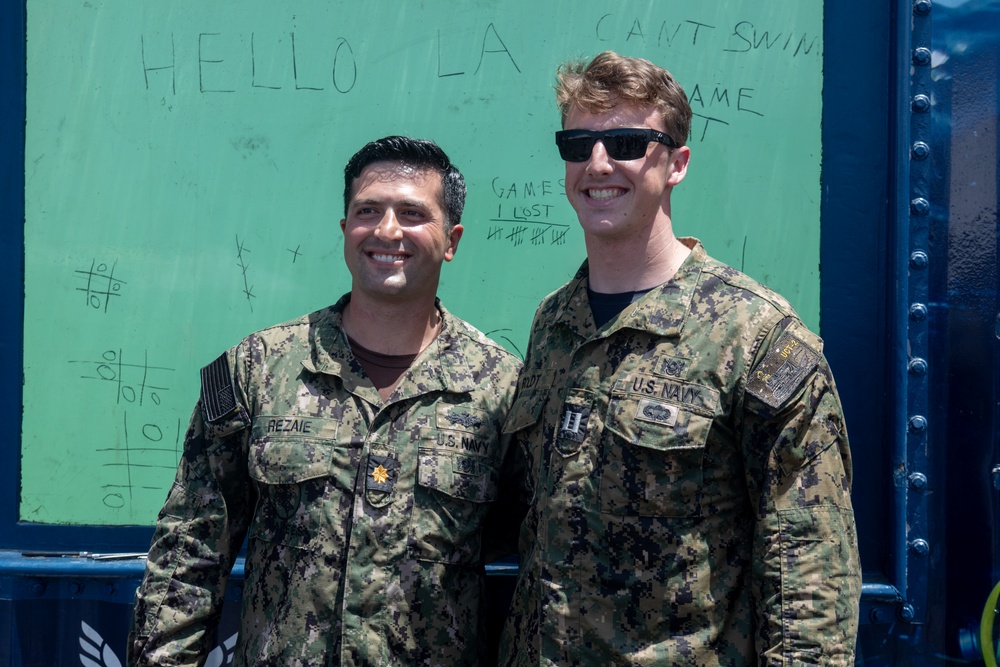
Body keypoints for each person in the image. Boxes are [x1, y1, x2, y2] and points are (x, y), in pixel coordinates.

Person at [499, 51, 861, 665]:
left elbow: (808, 566)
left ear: (677, 164)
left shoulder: (756, 335)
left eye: (626, 142)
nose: (597, 163)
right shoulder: (553, 326)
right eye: (577, 142)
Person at [128, 135, 522, 666]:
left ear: (451, 240)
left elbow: (525, 549)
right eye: (367, 211)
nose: (387, 230)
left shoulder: (501, 388)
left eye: (411, 213)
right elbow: (189, 553)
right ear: (344, 231)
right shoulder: (257, 368)